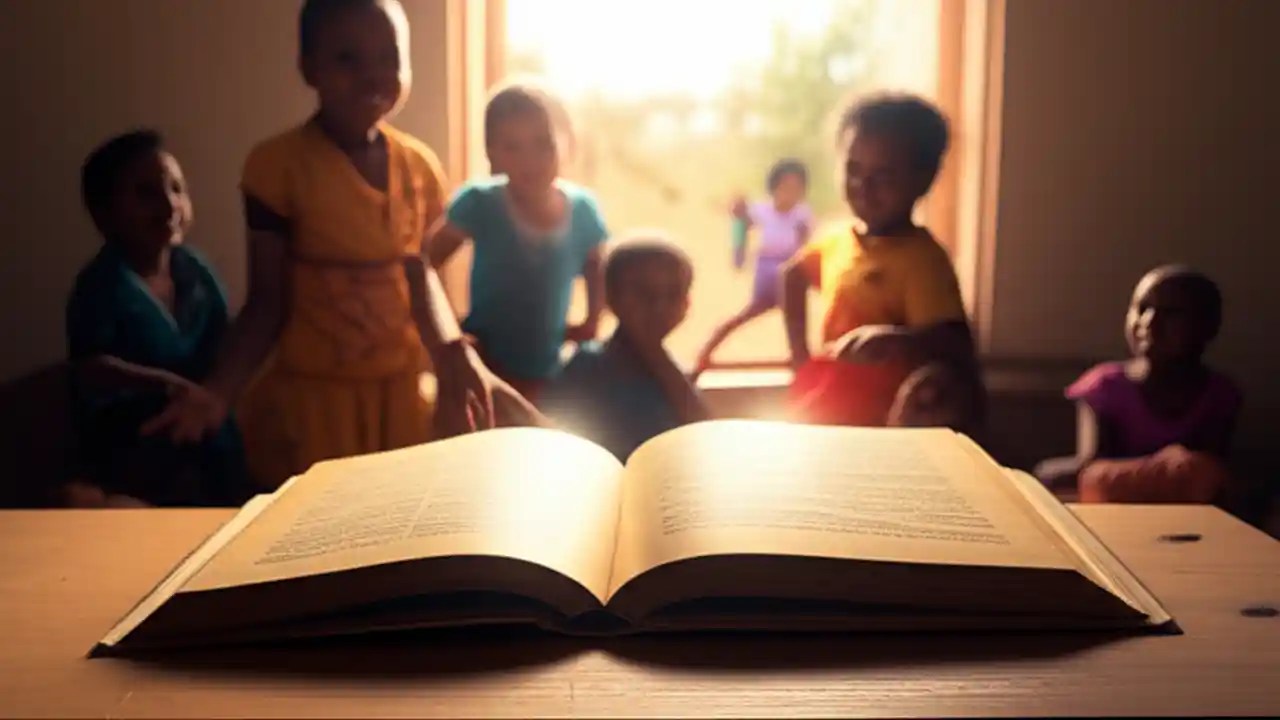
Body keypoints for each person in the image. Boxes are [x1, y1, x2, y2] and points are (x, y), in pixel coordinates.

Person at [144, 0, 514, 489]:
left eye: (389, 57)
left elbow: (420, 272)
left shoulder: (419, 167)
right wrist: (218, 391)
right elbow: (267, 302)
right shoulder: (278, 167)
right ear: (308, 67)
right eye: (348, 59)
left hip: (401, 396)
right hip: (317, 402)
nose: (373, 74)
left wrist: (451, 351)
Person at [63, 129, 251, 507]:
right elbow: (91, 367)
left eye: (176, 189)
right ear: (103, 213)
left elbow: (227, 339)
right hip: (138, 444)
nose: (168, 205)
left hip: (209, 429)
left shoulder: (196, 271)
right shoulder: (102, 284)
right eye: (146, 194)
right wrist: (168, 386)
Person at [781, 92, 981, 431]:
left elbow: (953, 343)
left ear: (923, 180)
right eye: (853, 170)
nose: (863, 186)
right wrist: (800, 357)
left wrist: (897, 340)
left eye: (884, 176)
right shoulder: (837, 240)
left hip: (884, 420)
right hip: (828, 402)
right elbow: (792, 276)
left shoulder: (923, 260)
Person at [427, 80, 609, 402]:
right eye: (512, 147)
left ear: (567, 142)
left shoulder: (583, 210)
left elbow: (597, 268)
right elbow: (425, 263)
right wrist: (449, 330)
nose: (530, 160)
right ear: (491, 153)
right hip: (483, 364)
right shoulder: (479, 202)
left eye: (542, 144)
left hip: (550, 367)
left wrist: (591, 321)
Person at [1037, 266, 1242, 505]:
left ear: (1208, 326)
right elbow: (1092, 466)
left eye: (1171, 313)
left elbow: (1209, 473)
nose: (1149, 321)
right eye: (1142, 308)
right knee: (1048, 478)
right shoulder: (1106, 385)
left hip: (1185, 506)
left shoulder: (1219, 393)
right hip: (1113, 498)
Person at [540, 235, 708, 461]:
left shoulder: (674, 375)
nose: (658, 305)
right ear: (610, 298)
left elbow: (704, 435)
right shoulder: (586, 367)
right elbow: (552, 442)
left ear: (687, 304)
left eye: (673, 294)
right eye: (643, 293)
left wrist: (655, 353)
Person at [693, 159, 812, 377]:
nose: (790, 194)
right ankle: (705, 352)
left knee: (796, 323)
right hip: (767, 272)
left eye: (796, 189)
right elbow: (741, 224)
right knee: (749, 313)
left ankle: (801, 361)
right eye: (786, 188)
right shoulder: (762, 210)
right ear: (774, 188)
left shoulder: (802, 215)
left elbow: (807, 245)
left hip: (792, 273)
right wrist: (738, 217)